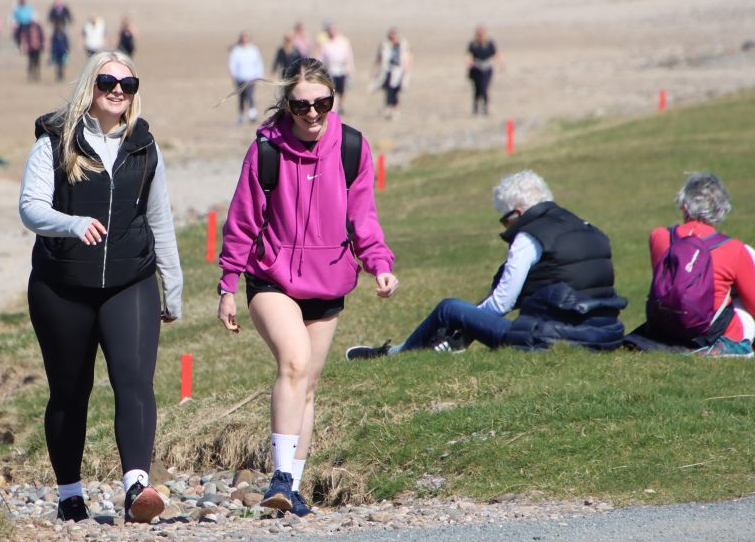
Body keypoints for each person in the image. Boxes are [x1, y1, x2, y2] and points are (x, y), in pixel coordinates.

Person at [217, 57, 398, 517]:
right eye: (301, 106)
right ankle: (279, 474)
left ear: (333, 99)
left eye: (322, 103)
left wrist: (378, 263)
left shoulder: (352, 147)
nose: (313, 113)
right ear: (287, 105)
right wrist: (228, 285)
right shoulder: (266, 150)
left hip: (328, 280)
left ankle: (290, 489)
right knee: (294, 364)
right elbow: (242, 221)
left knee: (309, 385)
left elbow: (364, 216)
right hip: (272, 277)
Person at [20, 51, 183, 524]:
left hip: (129, 282)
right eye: (108, 81)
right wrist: (70, 224)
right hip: (61, 286)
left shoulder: (144, 147)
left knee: (134, 381)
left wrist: (171, 286)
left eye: (128, 85)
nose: (117, 90)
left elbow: (160, 220)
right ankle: (70, 493)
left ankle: (136, 487)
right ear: (89, 86)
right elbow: (30, 207)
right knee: (71, 392)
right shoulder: (53, 142)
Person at [346, 170, 625, 360]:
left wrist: (465, 323)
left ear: (517, 212)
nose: (506, 227)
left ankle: (395, 354)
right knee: (465, 314)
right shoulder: (590, 228)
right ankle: (445, 345)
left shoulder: (529, 237)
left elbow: (501, 303)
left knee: (450, 308)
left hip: (551, 339)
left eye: (504, 220)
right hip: (607, 333)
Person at [625, 172, 755, 356]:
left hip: (664, 327)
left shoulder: (659, 236)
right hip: (707, 333)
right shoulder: (735, 249)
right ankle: (729, 346)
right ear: (720, 209)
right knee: (741, 298)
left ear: (685, 205)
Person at [312, 21, 355, 115]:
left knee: (342, 90)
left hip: (342, 70)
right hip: (331, 70)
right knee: (332, 90)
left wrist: (351, 71)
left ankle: (340, 104)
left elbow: (349, 56)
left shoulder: (343, 41)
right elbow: (320, 57)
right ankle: (334, 106)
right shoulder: (325, 44)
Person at [370, 27, 412, 120]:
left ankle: (395, 109)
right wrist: (374, 69)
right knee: (389, 90)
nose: (393, 36)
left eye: (394, 34)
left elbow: (408, 56)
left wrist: (407, 68)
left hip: (399, 70)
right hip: (388, 70)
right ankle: (388, 108)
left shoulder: (403, 45)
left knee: (396, 90)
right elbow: (379, 57)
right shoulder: (385, 45)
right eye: (391, 34)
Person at [227, 31, 265, 124]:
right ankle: (241, 116)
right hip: (240, 78)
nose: (245, 39)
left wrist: (260, 76)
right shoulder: (236, 50)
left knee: (250, 96)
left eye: (247, 37)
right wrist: (233, 75)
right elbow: (232, 64)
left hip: (251, 78)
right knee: (241, 97)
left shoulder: (253, 49)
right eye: (243, 37)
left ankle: (252, 115)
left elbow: (258, 63)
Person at [467, 25, 502, 116]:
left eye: (482, 33)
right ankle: (475, 109)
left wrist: (501, 64)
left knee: (485, 88)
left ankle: (485, 108)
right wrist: (469, 63)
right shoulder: (473, 44)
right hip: (476, 68)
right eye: (479, 33)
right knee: (477, 89)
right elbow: (469, 55)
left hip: (487, 68)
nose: (480, 35)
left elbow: (496, 54)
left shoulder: (490, 43)